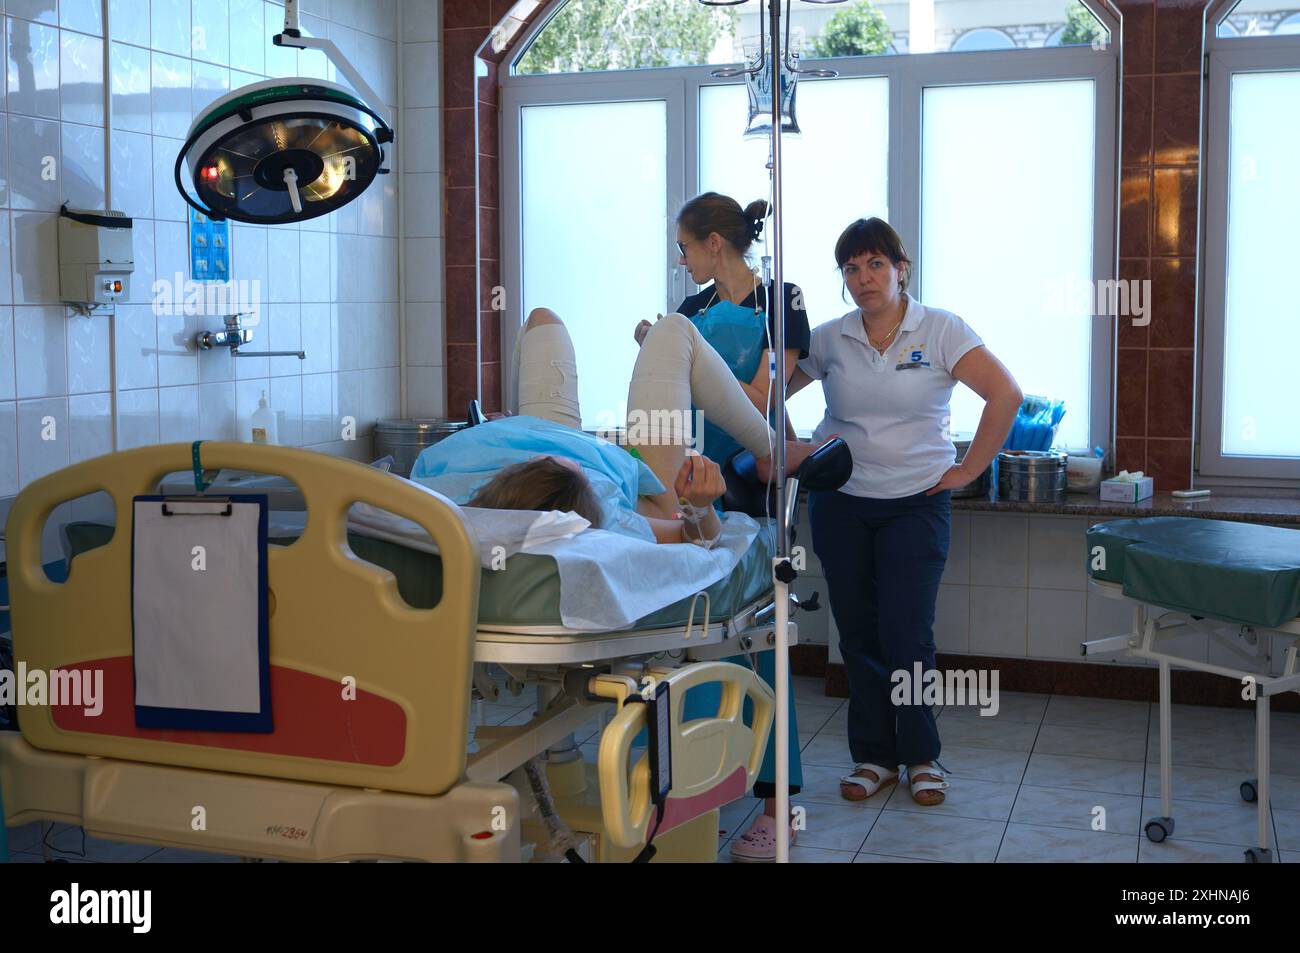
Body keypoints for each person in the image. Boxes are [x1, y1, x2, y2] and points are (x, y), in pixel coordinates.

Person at [788, 218, 1022, 807]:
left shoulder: (940, 329)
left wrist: (968, 469)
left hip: (916, 505)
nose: (863, 278)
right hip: (842, 504)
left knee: (906, 632)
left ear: (900, 269)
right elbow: (762, 396)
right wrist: (794, 449)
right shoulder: (829, 338)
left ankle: (920, 756)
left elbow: (1006, 394)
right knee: (858, 633)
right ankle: (873, 756)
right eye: (850, 268)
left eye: (874, 264)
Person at [635, 192, 811, 862]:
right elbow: (673, 385)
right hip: (694, 483)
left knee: (764, 642)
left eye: (684, 248)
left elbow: (770, 389)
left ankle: (779, 806)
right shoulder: (692, 313)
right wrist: (657, 353)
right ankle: (704, 787)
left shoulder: (781, 298)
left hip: (751, 480)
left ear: (715, 243)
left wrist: (693, 366)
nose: (681, 262)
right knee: (701, 640)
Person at [412, 306, 818, 548]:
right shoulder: (604, 516)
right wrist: (700, 505)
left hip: (528, 441)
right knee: (673, 332)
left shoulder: (444, 495)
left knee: (542, 320)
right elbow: (698, 539)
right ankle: (772, 451)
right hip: (635, 488)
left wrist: (502, 431)